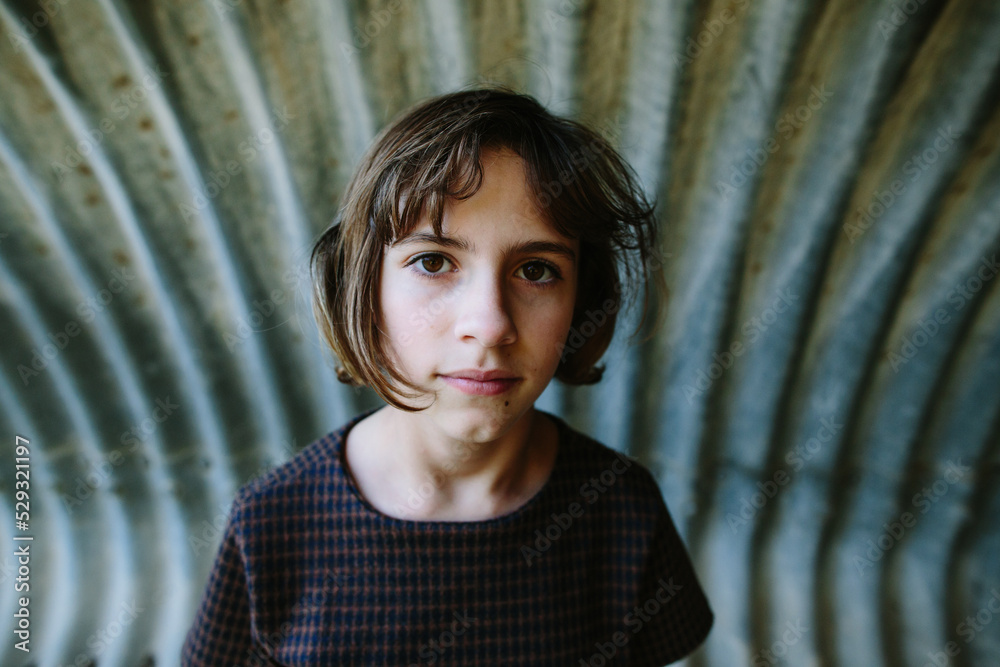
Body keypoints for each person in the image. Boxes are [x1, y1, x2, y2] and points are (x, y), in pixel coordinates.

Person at [181, 87, 713, 666]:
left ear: (581, 302)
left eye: (537, 270)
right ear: (363, 289)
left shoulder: (621, 512)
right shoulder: (272, 525)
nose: (489, 325)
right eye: (433, 262)